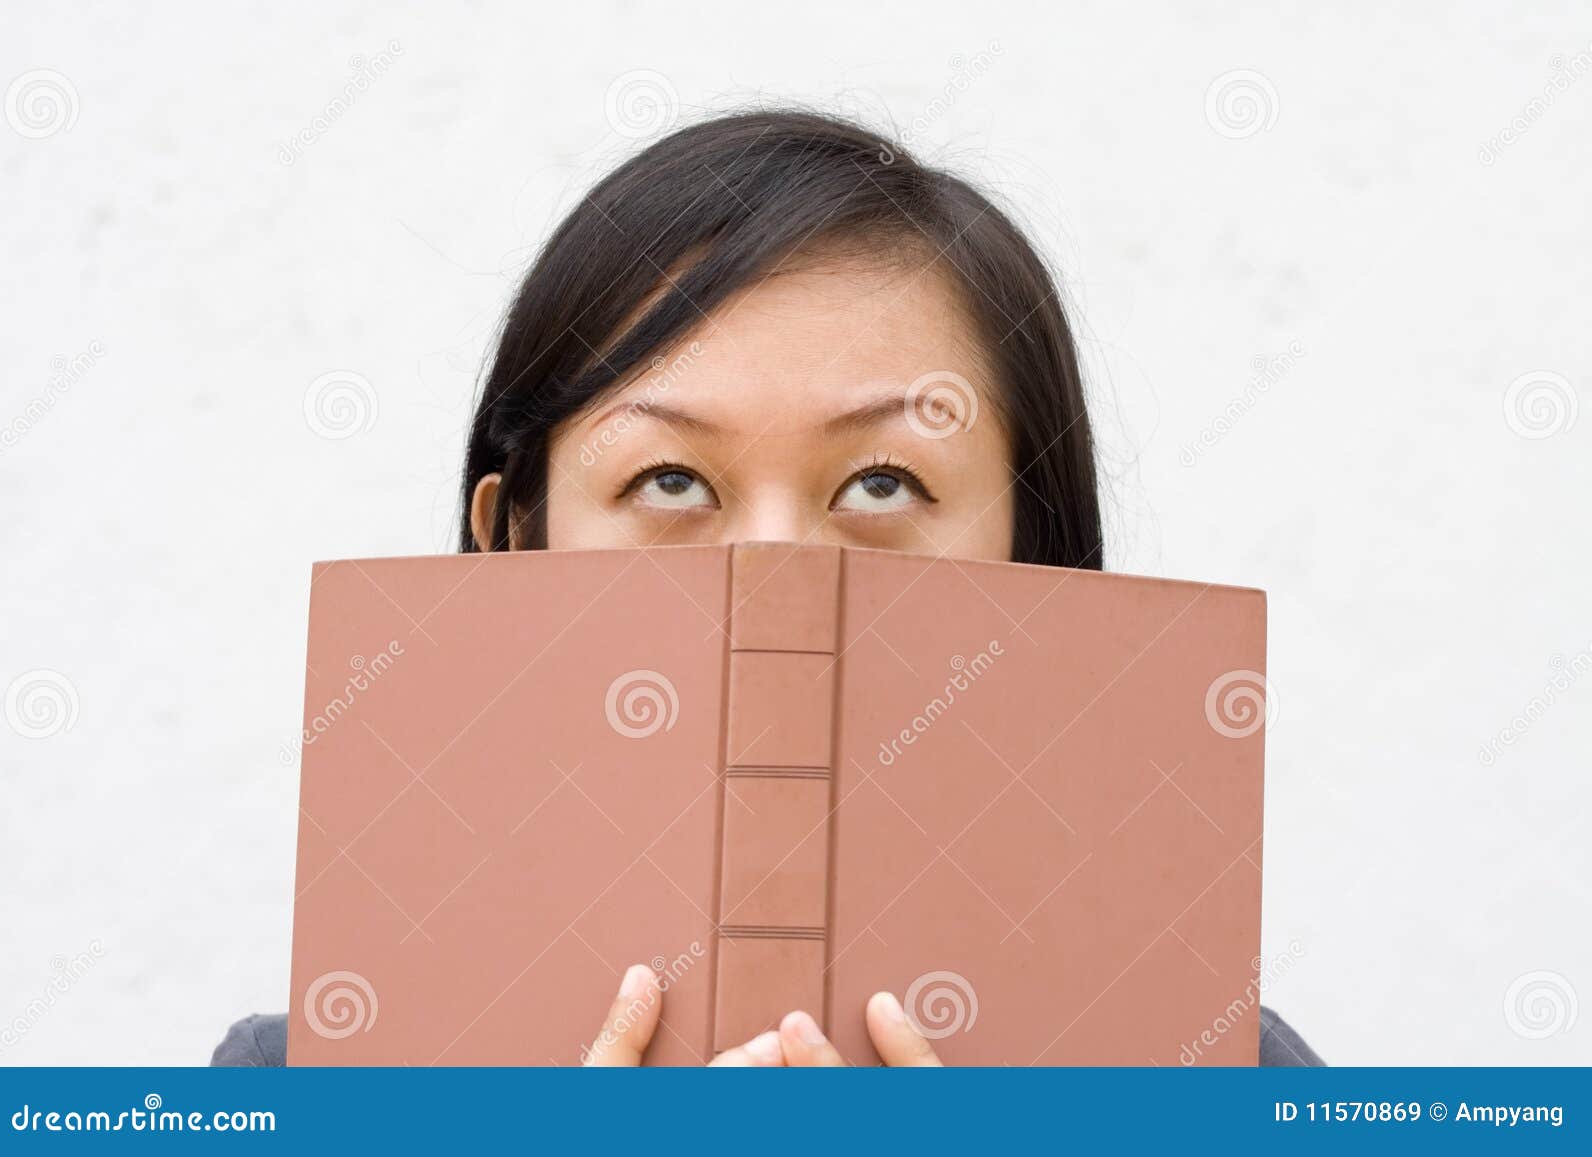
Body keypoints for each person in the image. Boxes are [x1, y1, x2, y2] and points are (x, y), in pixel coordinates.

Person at [216, 109, 1322, 1068]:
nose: (776, 567)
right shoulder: (302, 1082)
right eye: (669, 477)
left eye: (883, 481)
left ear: (1038, 559)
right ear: (513, 540)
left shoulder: (1224, 1077)